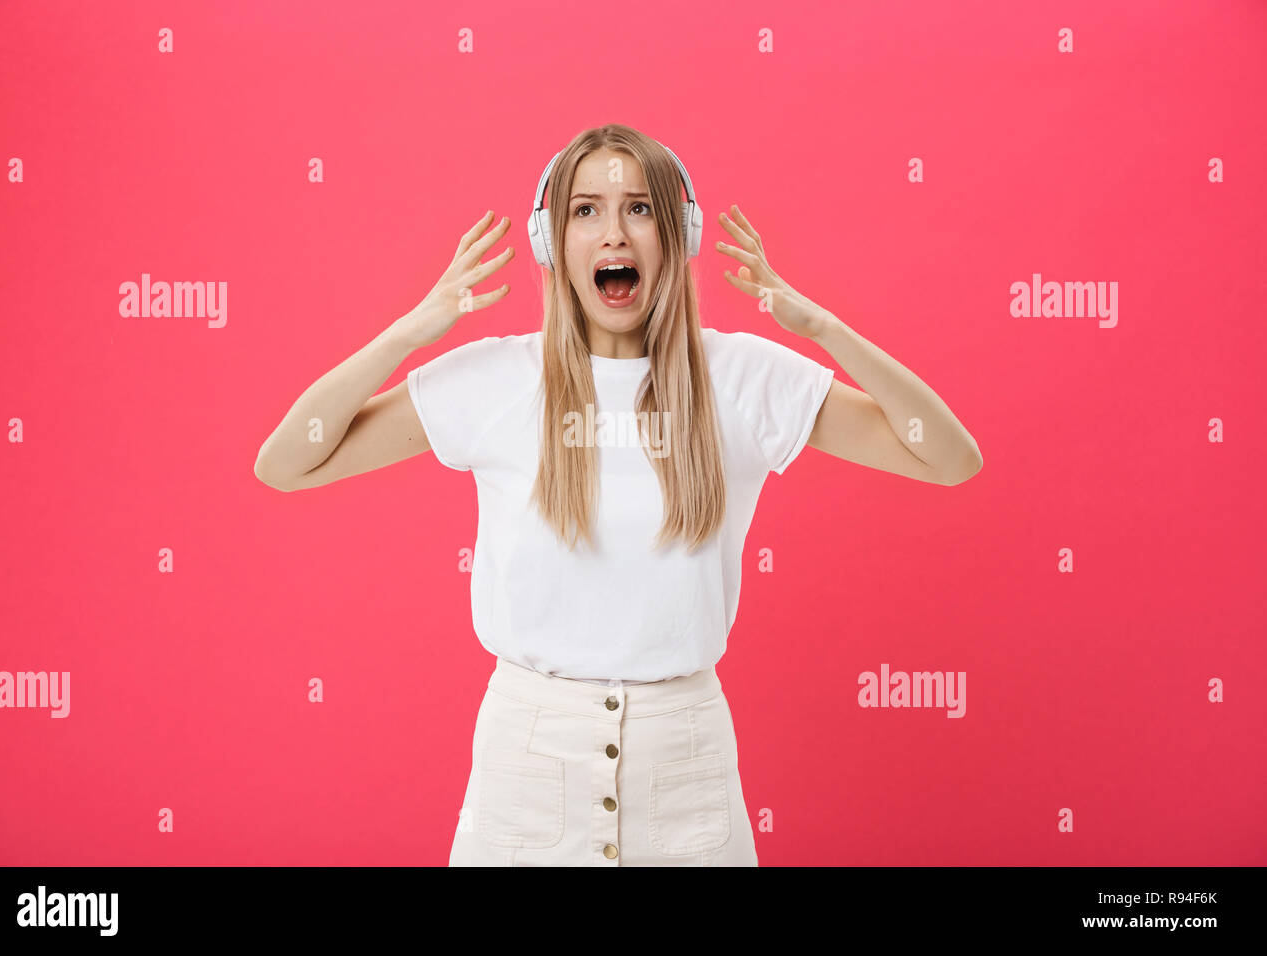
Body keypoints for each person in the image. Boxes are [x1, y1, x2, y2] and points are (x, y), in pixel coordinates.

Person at [253, 123, 983, 866]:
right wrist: (408, 333)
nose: (614, 234)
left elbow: (950, 457)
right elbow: (287, 461)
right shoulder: (497, 381)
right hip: (525, 776)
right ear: (552, 242)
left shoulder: (741, 379)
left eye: (639, 208)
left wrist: (822, 328)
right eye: (585, 210)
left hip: (688, 773)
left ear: (676, 235)